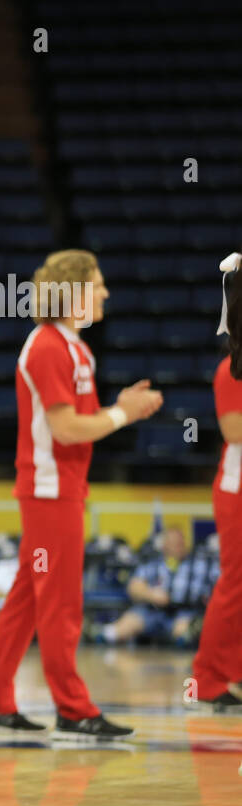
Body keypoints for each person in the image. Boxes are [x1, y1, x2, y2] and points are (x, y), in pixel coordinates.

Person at [0, 249, 162, 740]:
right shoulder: (48, 347)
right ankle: (73, 709)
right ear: (74, 291)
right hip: (49, 489)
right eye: (97, 284)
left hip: (61, 488)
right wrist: (125, 414)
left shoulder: (76, 348)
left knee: (29, 602)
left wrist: (119, 408)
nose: (105, 292)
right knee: (59, 602)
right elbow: (68, 429)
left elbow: (82, 423)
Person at [192, 254, 242, 711]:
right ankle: (207, 680)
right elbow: (233, 431)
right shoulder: (230, 371)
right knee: (235, 584)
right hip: (237, 491)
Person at [91, 527, 211, 646]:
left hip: (184, 611)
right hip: (151, 610)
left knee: (184, 630)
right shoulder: (153, 563)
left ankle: (186, 639)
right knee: (127, 624)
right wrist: (151, 595)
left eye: (180, 543)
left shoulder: (198, 564)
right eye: (173, 543)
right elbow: (133, 586)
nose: (177, 547)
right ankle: (100, 634)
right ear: (164, 545)